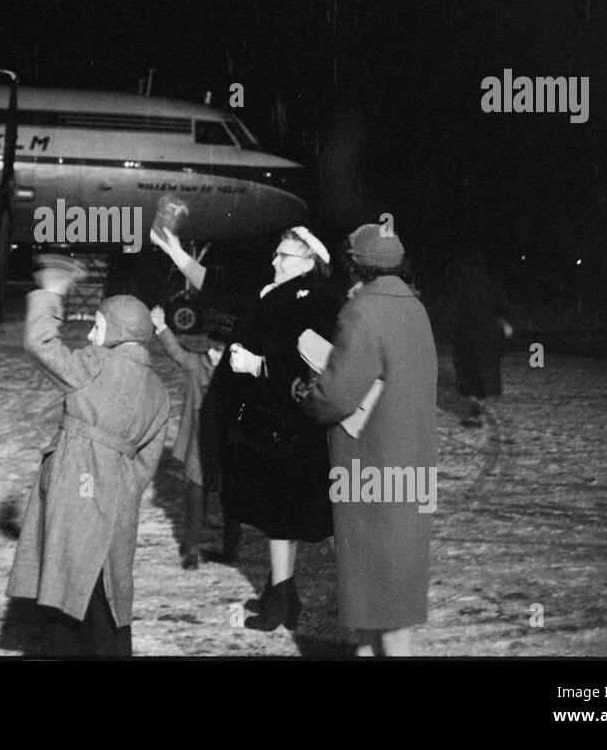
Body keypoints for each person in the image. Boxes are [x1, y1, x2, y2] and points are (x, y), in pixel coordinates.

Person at [152, 225, 340, 632]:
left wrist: (257, 365)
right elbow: (222, 289)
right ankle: (282, 598)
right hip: (265, 423)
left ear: (310, 263)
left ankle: (279, 604)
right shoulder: (273, 290)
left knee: (281, 517)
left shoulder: (318, 301)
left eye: (284, 256)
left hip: (289, 426)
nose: (274, 261)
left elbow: (310, 362)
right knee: (278, 518)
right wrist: (179, 257)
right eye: (276, 254)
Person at [6, 257, 170, 656]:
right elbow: (147, 463)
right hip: (118, 501)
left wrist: (51, 293)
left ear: (115, 333)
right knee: (108, 590)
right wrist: (120, 489)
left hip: (74, 492)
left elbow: (41, 345)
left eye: (97, 327)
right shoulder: (159, 390)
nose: (92, 336)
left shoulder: (98, 363)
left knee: (66, 583)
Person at [295, 224, 437, 656]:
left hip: (369, 469)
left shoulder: (362, 311)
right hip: (411, 467)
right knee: (388, 595)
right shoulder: (416, 309)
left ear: (355, 266)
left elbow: (336, 396)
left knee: (385, 604)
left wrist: (304, 392)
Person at [150, 305, 230, 570]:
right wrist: (161, 326)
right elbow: (176, 352)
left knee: (232, 499)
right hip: (199, 443)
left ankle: (231, 547)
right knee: (195, 497)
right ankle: (192, 550)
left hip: (227, 446)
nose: (215, 354)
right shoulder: (197, 363)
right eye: (213, 348)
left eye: (221, 350)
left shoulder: (237, 370)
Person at [447, 252, 514, 427]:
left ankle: (476, 409)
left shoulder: (463, 283)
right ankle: (478, 407)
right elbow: (503, 308)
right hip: (486, 333)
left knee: (470, 371)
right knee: (481, 371)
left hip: (469, 333)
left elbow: (453, 308)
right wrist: (503, 324)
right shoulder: (492, 283)